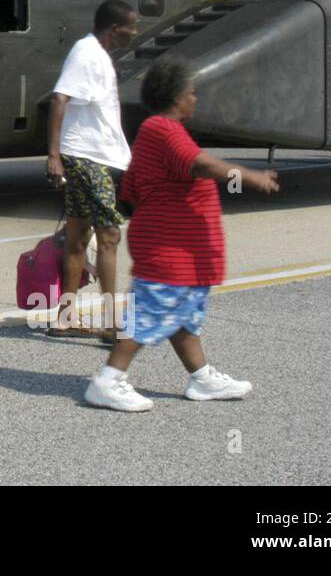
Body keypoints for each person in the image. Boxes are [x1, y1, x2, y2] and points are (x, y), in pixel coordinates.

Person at [83, 59, 279, 411]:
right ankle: (108, 380)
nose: (196, 99)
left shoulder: (153, 132)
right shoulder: (164, 130)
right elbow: (199, 164)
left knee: (181, 315)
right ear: (176, 97)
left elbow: (132, 192)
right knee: (149, 313)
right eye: (191, 93)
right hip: (169, 251)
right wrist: (249, 176)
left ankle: (201, 377)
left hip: (178, 249)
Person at [46, 0, 138, 334]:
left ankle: (65, 318)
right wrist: (53, 155)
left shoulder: (96, 54)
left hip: (89, 154)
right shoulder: (86, 53)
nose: (134, 31)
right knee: (110, 235)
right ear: (115, 28)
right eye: (131, 25)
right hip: (86, 157)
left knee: (78, 238)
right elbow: (59, 98)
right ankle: (112, 324)